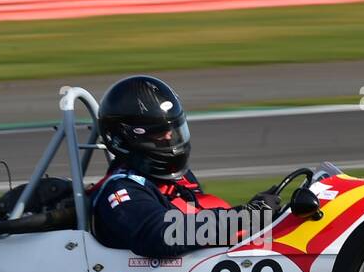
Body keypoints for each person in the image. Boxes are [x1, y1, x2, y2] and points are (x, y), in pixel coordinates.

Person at [91, 75, 278, 258]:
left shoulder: (178, 178)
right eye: (158, 133)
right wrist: (243, 217)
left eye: (172, 129)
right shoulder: (121, 190)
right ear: (123, 139)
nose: (169, 137)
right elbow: (160, 236)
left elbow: (198, 225)